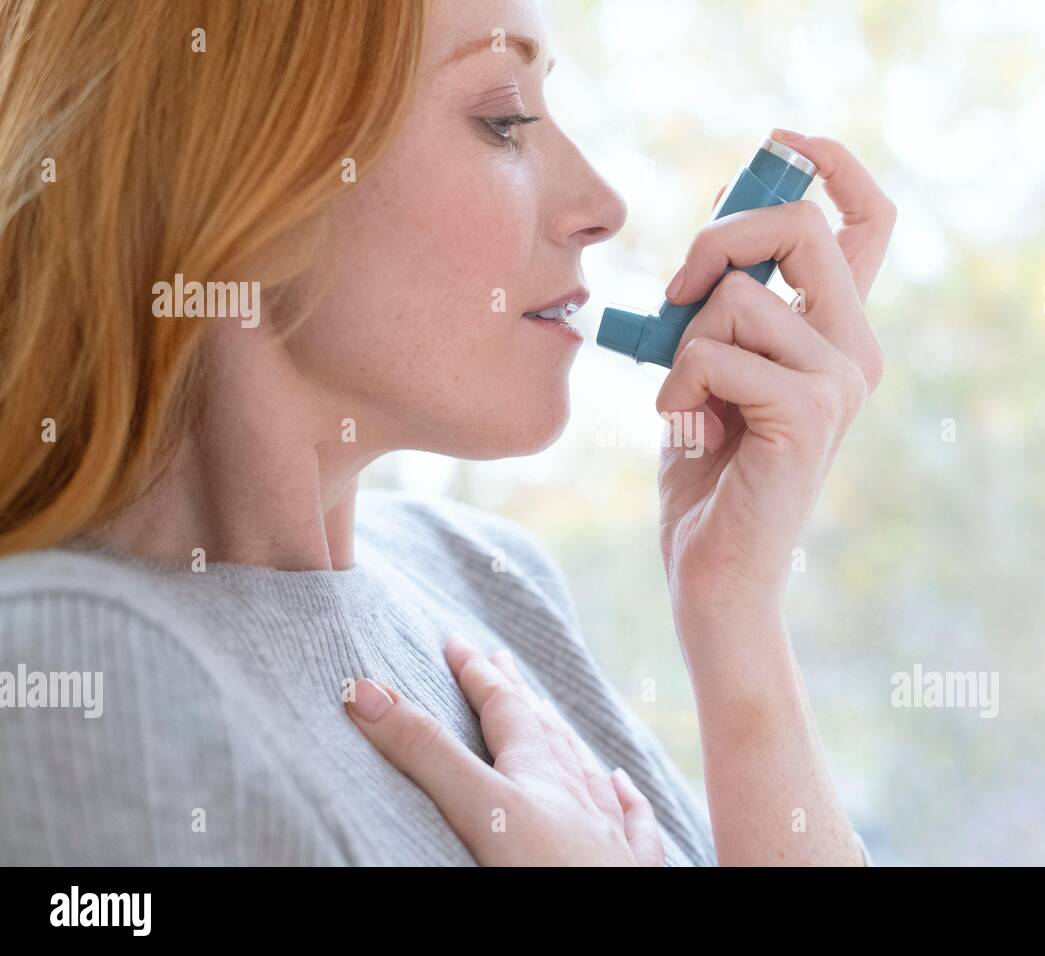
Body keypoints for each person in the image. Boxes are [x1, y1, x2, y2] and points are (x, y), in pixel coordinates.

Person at [0, 0, 892, 866]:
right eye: (504, 119)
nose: (603, 203)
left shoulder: (486, 579)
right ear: (237, 173)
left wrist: (735, 613)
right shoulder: (69, 671)